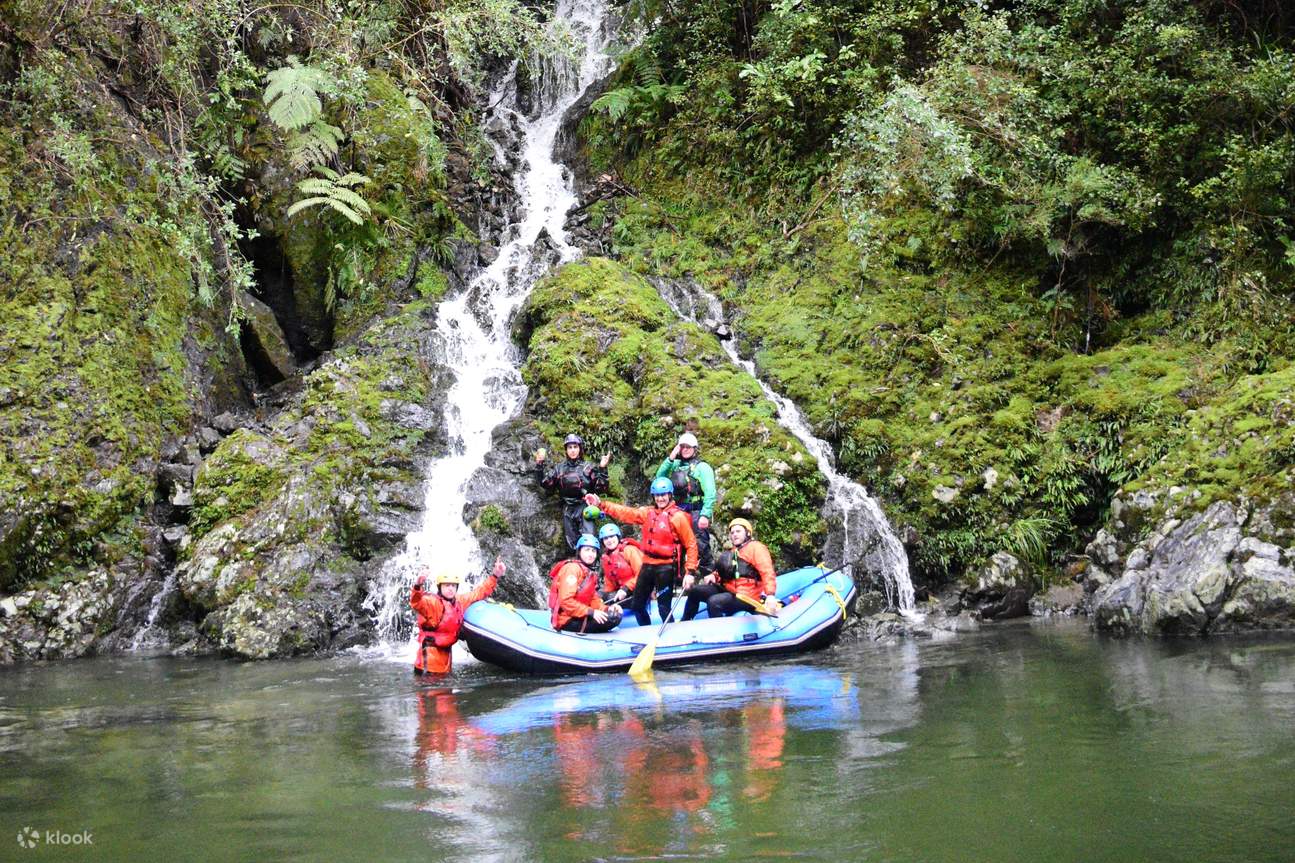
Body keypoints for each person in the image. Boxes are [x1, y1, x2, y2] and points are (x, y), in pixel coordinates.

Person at [584, 478, 698, 627]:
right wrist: (601, 505)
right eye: (657, 495)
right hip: (648, 565)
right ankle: (645, 631)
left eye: (663, 495)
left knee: (664, 608)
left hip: (666, 567)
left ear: (670, 495)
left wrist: (690, 572)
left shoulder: (678, 517)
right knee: (637, 606)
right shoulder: (648, 513)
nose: (660, 498)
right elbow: (626, 513)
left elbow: (691, 544)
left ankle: (672, 635)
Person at [410, 557, 505, 674]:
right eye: (447, 585)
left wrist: (495, 576)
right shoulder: (432, 603)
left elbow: (480, 592)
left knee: (446, 690)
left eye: (453, 586)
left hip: (445, 659)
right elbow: (416, 602)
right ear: (440, 588)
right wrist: (418, 585)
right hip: (428, 663)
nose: (450, 589)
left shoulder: (459, 602)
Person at [680, 518, 780, 620]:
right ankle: (685, 621)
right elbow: (726, 572)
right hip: (729, 591)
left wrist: (770, 595)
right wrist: (714, 576)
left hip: (747, 596)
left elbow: (767, 572)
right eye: (732, 532)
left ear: (748, 533)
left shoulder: (757, 548)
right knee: (695, 591)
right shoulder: (733, 551)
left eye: (738, 531)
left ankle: (719, 633)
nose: (735, 534)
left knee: (714, 601)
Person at [535, 433, 611, 550]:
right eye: (570, 447)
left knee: (589, 540)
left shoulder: (588, 467)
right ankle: (577, 564)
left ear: (580, 448)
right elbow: (545, 484)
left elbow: (601, 489)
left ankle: (592, 564)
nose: (573, 450)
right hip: (567, 508)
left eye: (575, 447)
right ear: (566, 450)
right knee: (572, 544)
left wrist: (602, 468)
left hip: (585, 506)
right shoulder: (559, 468)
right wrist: (539, 465)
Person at [654, 432, 717, 571]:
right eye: (683, 447)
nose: (685, 449)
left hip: (696, 510)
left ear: (695, 448)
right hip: (678, 510)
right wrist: (670, 458)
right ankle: (678, 575)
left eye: (689, 447)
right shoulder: (674, 464)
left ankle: (708, 573)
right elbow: (659, 477)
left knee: (700, 543)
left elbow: (710, 493)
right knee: (676, 543)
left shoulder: (702, 467)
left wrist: (705, 514)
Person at [550, 533, 623, 633]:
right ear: (579, 551)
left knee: (614, 615)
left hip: (580, 614)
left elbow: (593, 599)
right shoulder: (572, 569)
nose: (590, 554)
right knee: (612, 619)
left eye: (593, 551)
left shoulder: (589, 572)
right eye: (587, 550)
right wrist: (590, 612)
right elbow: (566, 601)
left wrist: (607, 609)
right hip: (566, 620)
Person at [597, 522, 642, 604]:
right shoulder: (606, 558)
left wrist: (625, 588)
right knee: (597, 597)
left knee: (611, 598)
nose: (609, 540)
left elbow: (642, 574)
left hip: (638, 591)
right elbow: (609, 584)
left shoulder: (629, 550)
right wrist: (600, 596)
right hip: (621, 592)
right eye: (606, 538)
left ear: (618, 537)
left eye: (611, 536)